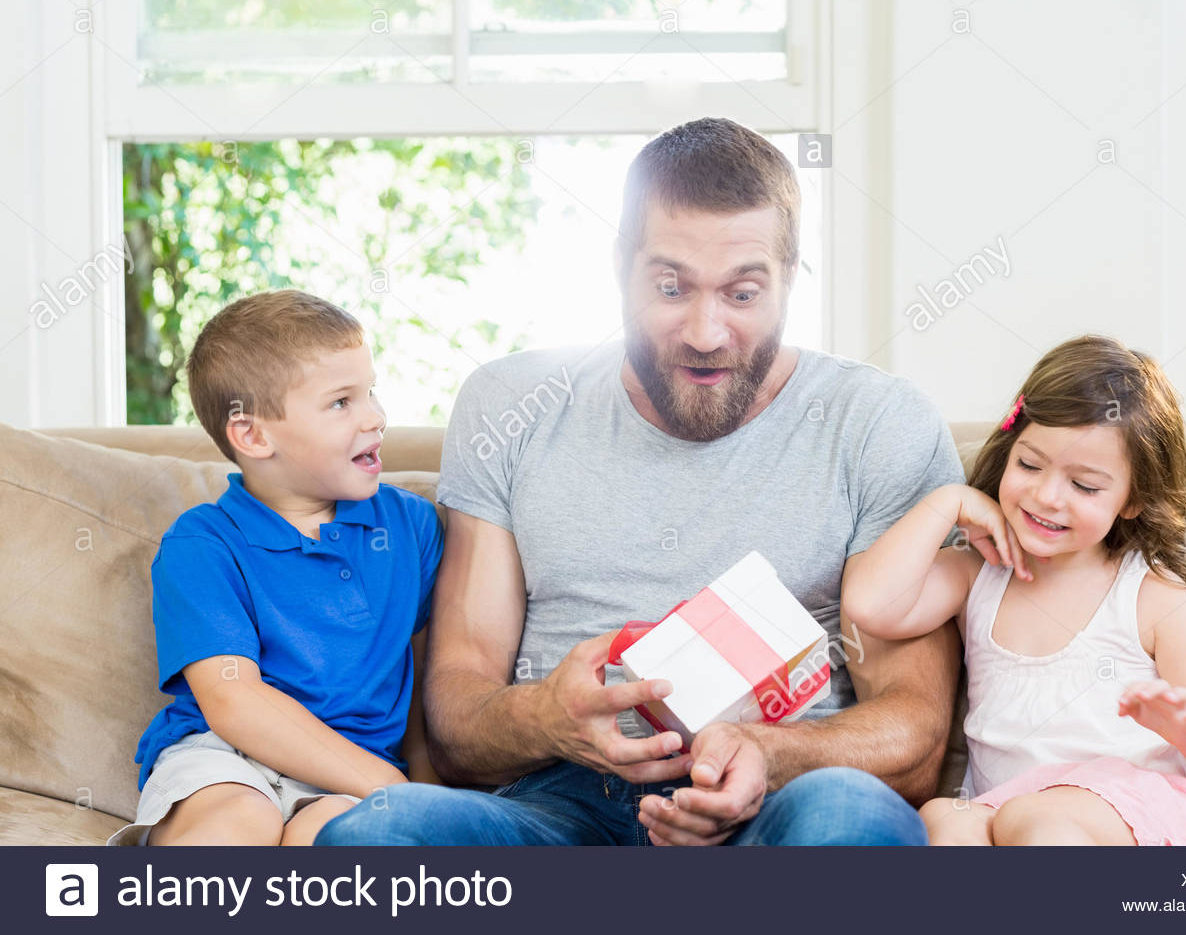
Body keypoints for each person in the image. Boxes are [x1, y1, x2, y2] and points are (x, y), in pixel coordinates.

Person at [316, 117, 965, 847]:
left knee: (847, 817)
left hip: (781, 803)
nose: (705, 331)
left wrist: (765, 753)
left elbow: (914, 732)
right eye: (669, 286)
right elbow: (460, 721)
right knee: (374, 835)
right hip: (561, 805)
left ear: (791, 278)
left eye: (743, 293)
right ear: (619, 268)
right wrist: (548, 718)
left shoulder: (880, 421)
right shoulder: (510, 404)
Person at [843, 335, 1186, 845]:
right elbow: (870, 607)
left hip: (1138, 812)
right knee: (944, 820)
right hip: (1010, 805)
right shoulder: (979, 575)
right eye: (1029, 465)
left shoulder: (1153, 599)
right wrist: (948, 503)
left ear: (1132, 500)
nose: (1046, 496)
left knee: (1039, 821)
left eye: (1084, 486)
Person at [108, 290, 444, 846]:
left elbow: (424, 682)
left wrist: (428, 802)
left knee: (337, 842)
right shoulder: (203, 543)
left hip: (350, 779)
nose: (376, 418)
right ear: (254, 435)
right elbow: (235, 702)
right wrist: (389, 785)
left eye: (371, 394)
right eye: (342, 402)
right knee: (240, 822)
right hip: (224, 758)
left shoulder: (411, 529)